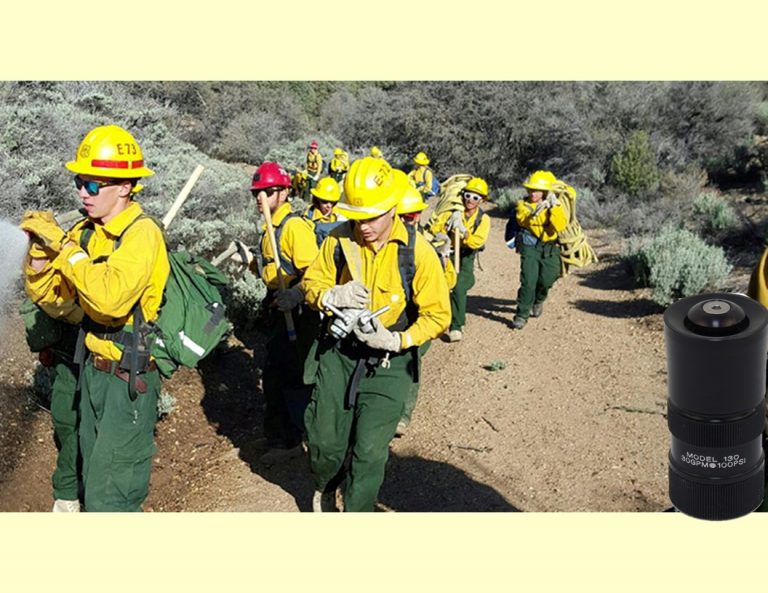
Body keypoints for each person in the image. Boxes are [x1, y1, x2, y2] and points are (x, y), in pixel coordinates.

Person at [20, 124, 169, 512]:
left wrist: (66, 249)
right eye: (78, 181)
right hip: (92, 372)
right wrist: (38, 258)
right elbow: (56, 301)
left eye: (91, 185)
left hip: (127, 379)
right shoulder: (88, 233)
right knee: (92, 482)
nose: (81, 192)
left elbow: (108, 302)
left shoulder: (141, 234)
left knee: (112, 498)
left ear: (124, 187)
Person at [301, 157, 450, 512]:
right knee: (324, 442)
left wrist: (398, 340)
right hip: (338, 353)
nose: (363, 226)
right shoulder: (338, 241)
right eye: (356, 217)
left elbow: (437, 315)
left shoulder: (418, 253)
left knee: (369, 451)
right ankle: (327, 481)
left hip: (389, 361)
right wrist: (329, 295)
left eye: (372, 216)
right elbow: (312, 282)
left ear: (392, 209)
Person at [249, 161, 320, 462]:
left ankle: (291, 439)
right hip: (278, 308)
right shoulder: (270, 227)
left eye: (266, 191)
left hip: (298, 313)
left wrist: (297, 293)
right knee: (274, 373)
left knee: (289, 375)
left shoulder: (294, 228)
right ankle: (276, 434)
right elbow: (272, 269)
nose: (259, 198)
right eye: (257, 192)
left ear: (284, 192)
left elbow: (315, 273)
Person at [393, 179, 455, 436]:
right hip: (392, 317)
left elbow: (448, 282)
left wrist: (445, 259)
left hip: (418, 319)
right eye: (403, 216)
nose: (409, 220)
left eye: (412, 215)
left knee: (411, 361)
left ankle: (403, 414)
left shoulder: (427, 246)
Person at [429, 177, 491, 342]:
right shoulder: (453, 211)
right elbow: (435, 227)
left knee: (459, 285)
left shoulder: (483, 219)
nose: (470, 200)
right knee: (445, 284)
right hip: (449, 253)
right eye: (468, 195)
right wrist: (445, 230)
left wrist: (464, 233)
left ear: (482, 200)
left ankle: (456, 326)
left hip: (467, 255)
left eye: (476, 198)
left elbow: (477, 241)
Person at [512, 170, 568, 330]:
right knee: (528, 282)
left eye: (536, 190)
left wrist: (554, 207)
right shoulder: (523, 205)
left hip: (551, 249)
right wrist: (540, 212)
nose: (532, 193)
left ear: (545, 192)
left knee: (547, 280)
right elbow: (523, 220)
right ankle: (521, 314)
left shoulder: (556, 206)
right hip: (531, 247)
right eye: (530, 189)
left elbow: (559, 226)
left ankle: (538, 300)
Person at [304, 176, 345, 246]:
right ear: (317, 200)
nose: (329, 206)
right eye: (325, 202)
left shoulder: (340, 214)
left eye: (332, 202)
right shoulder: (309, 217)